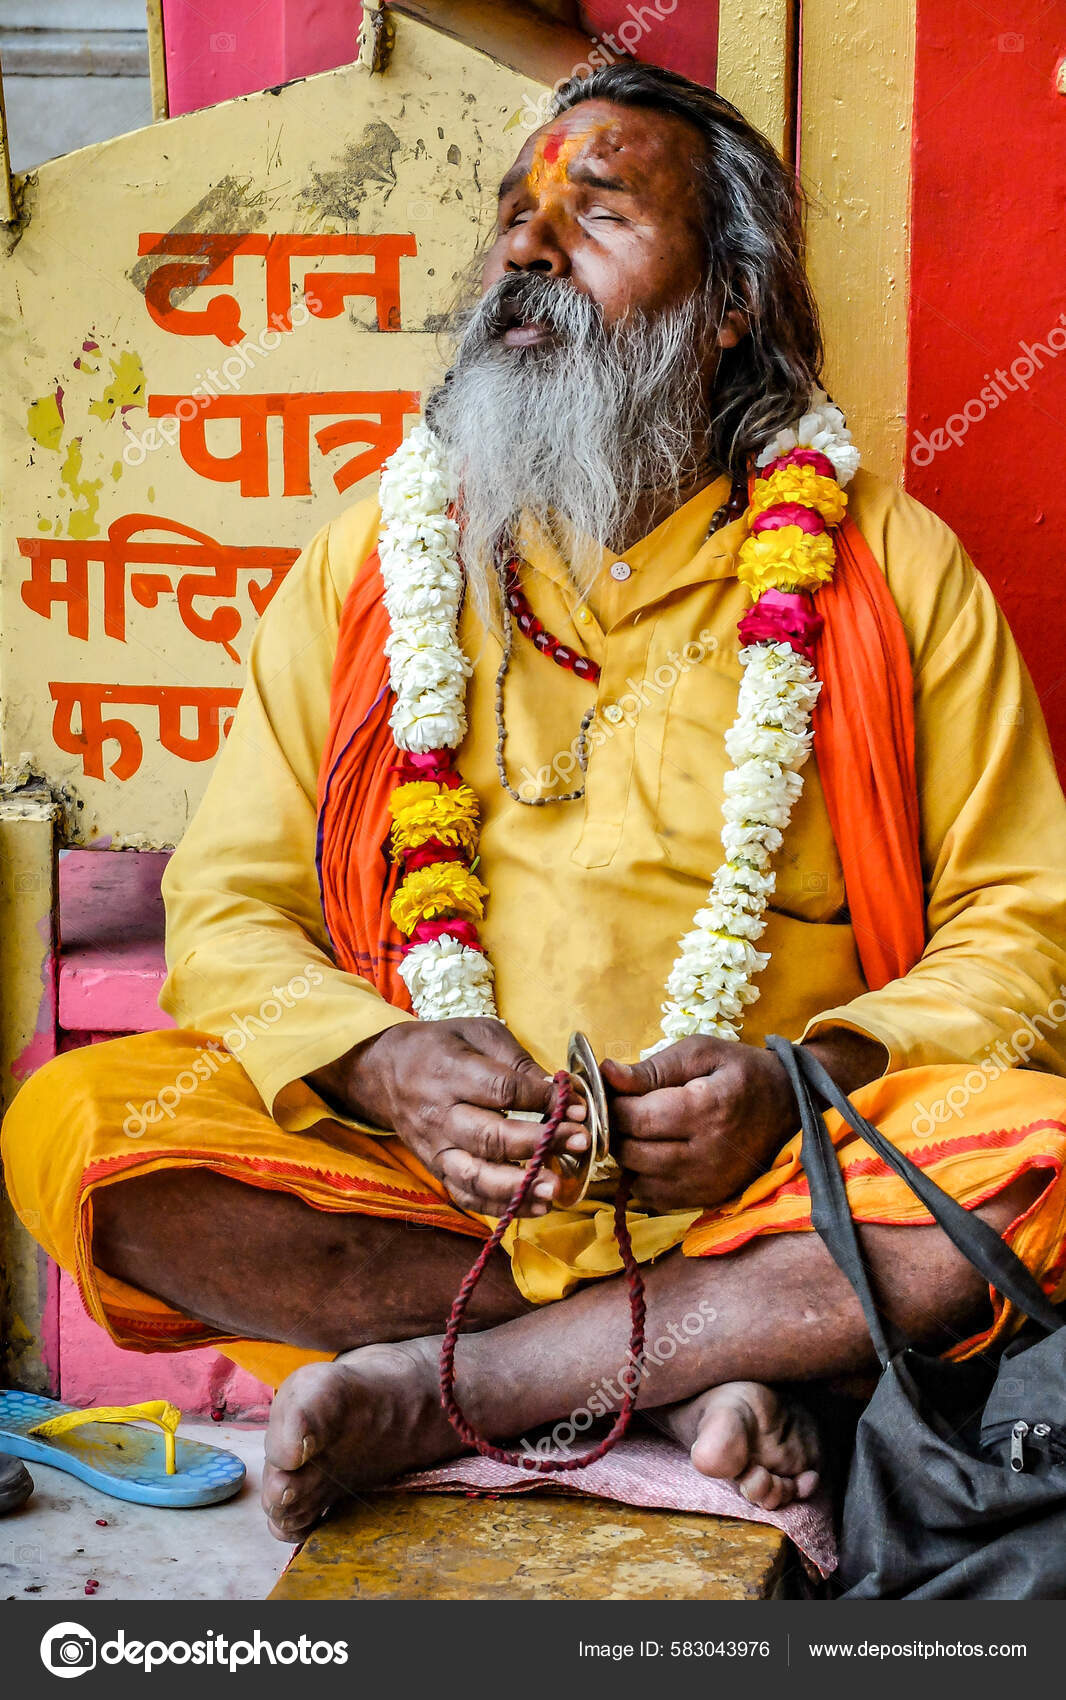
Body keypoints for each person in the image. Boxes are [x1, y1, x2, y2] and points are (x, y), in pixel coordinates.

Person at [6, 63, 1066, 1546]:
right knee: (79, 1129)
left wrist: (794, 1084)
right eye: (515, 218)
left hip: (775, 1193)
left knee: (1039, 1161)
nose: (527, 250)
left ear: (730, 304)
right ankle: (677, 1368)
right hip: (442, 1200)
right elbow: (232, 906)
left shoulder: (884, 570)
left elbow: (1024, 929)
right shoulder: (376, 562)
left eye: (598, 214)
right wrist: (378, 1065)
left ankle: (464, 1389)